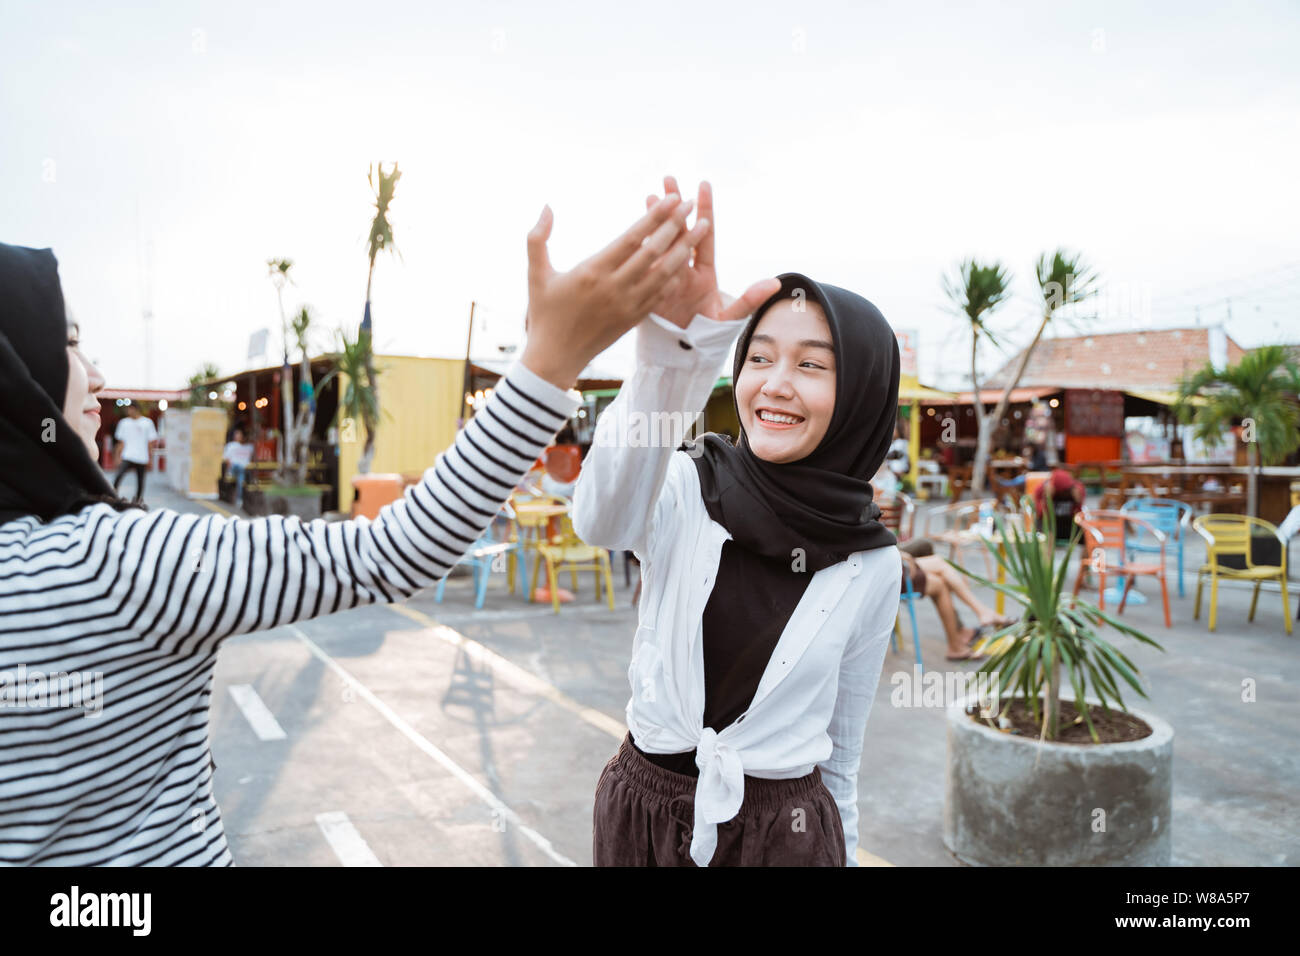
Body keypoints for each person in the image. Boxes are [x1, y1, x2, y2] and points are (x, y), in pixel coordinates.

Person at [0, 189, 708, 865]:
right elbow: (393, 550)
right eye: (66, 344)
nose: (93, 376)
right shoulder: (114, 565)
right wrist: (553, 357)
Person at [576, 179, 903, 868]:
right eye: (757, 357)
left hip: (785, 838)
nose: (775, 383)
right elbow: (600, 519)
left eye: (812, 364)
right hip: (643, 819)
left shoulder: (873, 562)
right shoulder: (688, 484)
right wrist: (674, 356)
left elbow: (842, 747)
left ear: (863, 395)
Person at [898, 540, 1013, 661]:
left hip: (886, 554)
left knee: (926, 548)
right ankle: (959, 640)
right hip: (886, 563)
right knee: (939, 575)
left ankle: (963, 630)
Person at [112, 402, 157, 504]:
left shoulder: (147, 423)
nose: (129, 411)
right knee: (118, 476)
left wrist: (150, 458)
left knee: (140, 481)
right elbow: (121, 442)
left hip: (142, 457)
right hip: (127, 455)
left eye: (130, 409)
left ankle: (138, 501)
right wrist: (117, 457)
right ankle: (113, 495)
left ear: (136, 409)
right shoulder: (124, 423)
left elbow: (150, 443)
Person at [222, 426, 254, 508]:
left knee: (241, 476)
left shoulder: (246, 447)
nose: (237, 436)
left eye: (239, 434)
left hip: (243, 469)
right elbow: (227, 459)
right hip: (234, 468)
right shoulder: (230, 446)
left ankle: (240, 499)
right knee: (240, 471)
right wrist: (229, 470)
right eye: (236, 434)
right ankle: (239, 499)